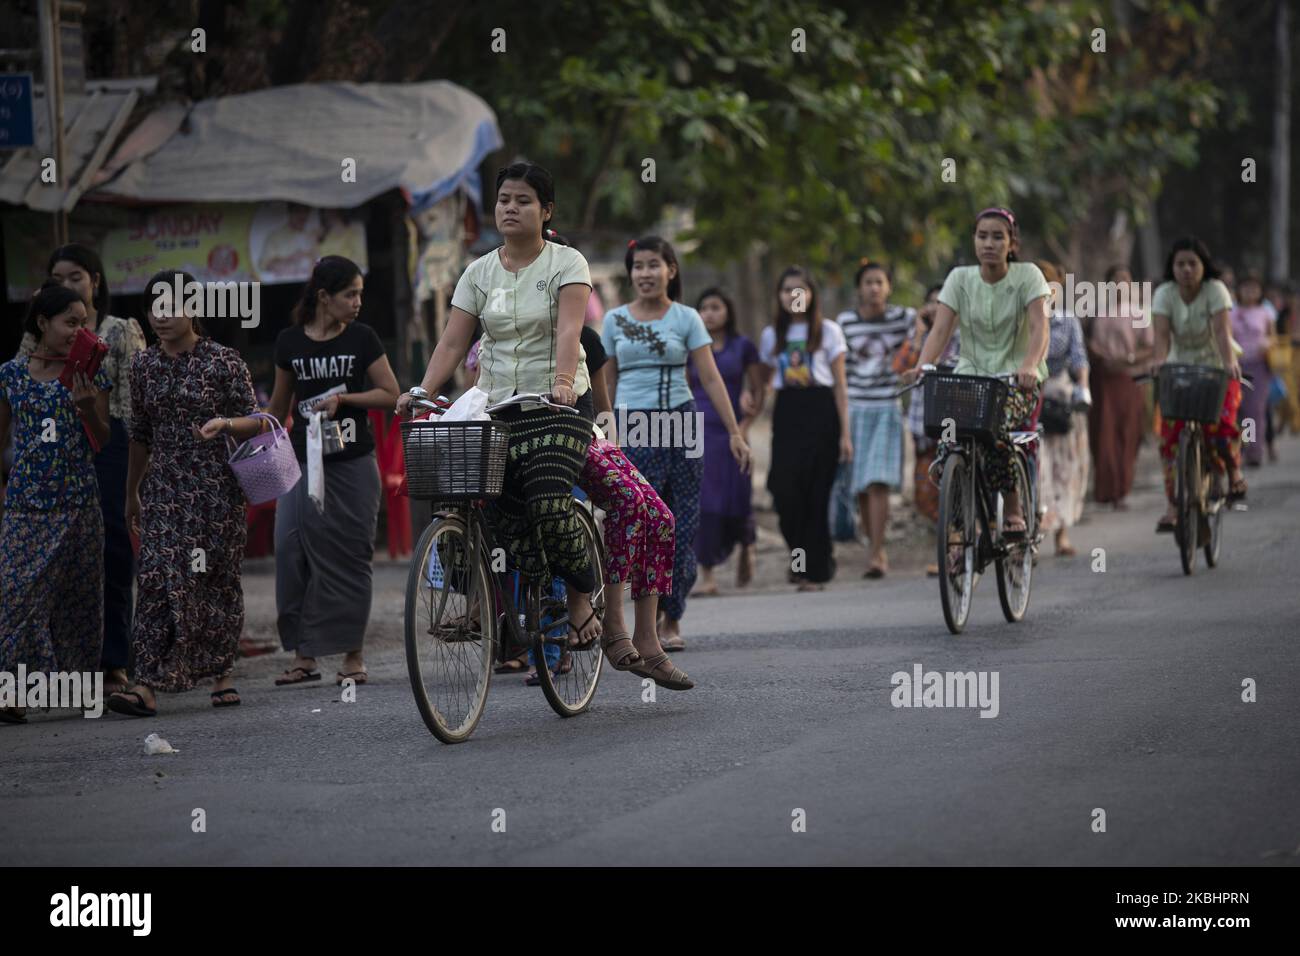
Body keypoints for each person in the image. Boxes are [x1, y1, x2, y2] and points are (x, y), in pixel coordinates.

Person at [397, 161, 605, 654]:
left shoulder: (567, 263)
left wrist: (561, 382)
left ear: (545, 210)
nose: (510, 208)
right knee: (479, 506)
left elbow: (569, 331)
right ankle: (495, 600)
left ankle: (579, 595)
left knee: (549, 504)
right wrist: (421, 391)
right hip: (497, 409)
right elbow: (452, 342)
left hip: (557, 408)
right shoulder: (478, 271)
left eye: (523, 201)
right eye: (504, 200)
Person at [106, 272, 262, 717]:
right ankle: (146, 686)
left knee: (214, 579)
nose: (160, 317)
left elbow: (256, 420)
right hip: (163, 488)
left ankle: (222, 673)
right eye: (153, 308)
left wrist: (226, 425)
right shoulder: (143, 366)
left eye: (170, 307)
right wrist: (132, 491)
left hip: (216, 491)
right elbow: (140, 433)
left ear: (193, 308)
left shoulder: (223, 361)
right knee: (155, 580)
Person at [602, 236, 751, 650]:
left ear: (671, 270)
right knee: (640, 524)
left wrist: (735, 432)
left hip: (681, 425)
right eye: (638, 266)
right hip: (633, 428)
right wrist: (605, 427)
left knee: (680, 525)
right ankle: (639, 623)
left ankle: (671, 618)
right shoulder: (614, 320)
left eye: (654, 265)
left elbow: (710, 377)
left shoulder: (687, 318)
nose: (645, 273)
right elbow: (607, 379)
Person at [16, 244, 145, 697]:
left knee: (112, 548)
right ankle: (58, 669)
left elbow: (133, 397)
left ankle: (113, 664)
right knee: (50, 559)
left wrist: (136, 458)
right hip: (54, 453)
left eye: (75, 277)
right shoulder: (42, 331)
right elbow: (22, 382)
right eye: (57, 278)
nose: (66, 285)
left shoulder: (118, 330)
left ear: (95, 280)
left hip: (110, 443)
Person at [268, 256, 399, 688]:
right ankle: (304, 656)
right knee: (290, 550)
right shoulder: (289, 342)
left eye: (360, 293)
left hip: (353, 462)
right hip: (302, 463)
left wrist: (346, 401)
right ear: (324, 298)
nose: (359, 302)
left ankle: (353, 655)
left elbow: (390, 395)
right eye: (350, 294)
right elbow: (277, 408)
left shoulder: (362, 338)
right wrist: (240, 432)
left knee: (352, 555)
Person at [902, 206, 1052, 544]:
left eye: (997, 236)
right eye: (982, 236)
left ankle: (1012, 509)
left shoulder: (1028, 276)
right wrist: (923, 365)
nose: (989, 243)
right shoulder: (959, 279)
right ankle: (960, 529)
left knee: (996, 430)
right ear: (974, 240)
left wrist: (1029, 366)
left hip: (1016, 381)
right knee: (949, 436)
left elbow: (1041, 328)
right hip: (970, 378)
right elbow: (940, 331)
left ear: (1012, 243)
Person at [0, 282, 111, 723]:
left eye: (83, 322)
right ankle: (13, 692)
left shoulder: (88, 371)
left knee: (80, 600)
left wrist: (87, 409)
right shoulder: (10, 375)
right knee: (17, 599)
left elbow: (101, 441)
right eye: (69, 322)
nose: (77, 331)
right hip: (26, 507)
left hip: (80, 501)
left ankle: (82, 688)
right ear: (43, 323)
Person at [759, 266, 852, 592]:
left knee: (816, 495)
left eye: (800, 289)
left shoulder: (829, 332)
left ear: (811, 294)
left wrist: (845, 434)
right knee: (784, 492)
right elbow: (764, 382)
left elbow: (840, 386)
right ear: (779, 296)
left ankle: (812, 570)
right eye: (787, 290)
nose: (793, 296)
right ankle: (802, 561)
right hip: (788, 413)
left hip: (822, 412)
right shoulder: (772, 335)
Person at [1150, 237, 1244, 532]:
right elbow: (1162, 337)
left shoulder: (1215, 290)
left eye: (1193, 263)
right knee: (1169, 438)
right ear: (1172, 268)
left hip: (1217, 366)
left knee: (1221, 428)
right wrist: (1158, 361)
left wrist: (1229, 364)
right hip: (1179, 368)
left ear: (1204, 266)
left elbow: (1221, 329)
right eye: (1180, 264)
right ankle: (1173, 505)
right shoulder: (1164, 293)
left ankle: (1234, 472)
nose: (1187, 270)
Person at [836, 260, 914, 578]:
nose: (874, 288)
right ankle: (872, 542)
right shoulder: (845, 323)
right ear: (859, 288)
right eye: (868, 282)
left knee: (878, 482)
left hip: (886, 407)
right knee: (860, 487)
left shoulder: (903, 318)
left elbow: (925, 329)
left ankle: (877, 551)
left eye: (880, 282)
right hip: (854, 408)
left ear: (889, 287)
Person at [688, 287, 763, 595]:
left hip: (733, 433)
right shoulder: (689, 346)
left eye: (716, 307)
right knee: (704, 502)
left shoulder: (743, 346)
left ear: (728, 311)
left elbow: (759, 391)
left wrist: (744, 426)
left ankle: (747, 545)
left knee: (738, 496)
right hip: (699, 431)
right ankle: (707, 575)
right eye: (704, 307)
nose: (710, 313)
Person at [895, 284, 958, 575]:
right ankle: (951, 544)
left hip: (956, 425)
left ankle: (953, 551)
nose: (936, 308)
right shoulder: (918, 338)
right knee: (926, 495)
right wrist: (920, 332)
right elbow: (903, 367)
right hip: (924, 425)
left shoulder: (961, 337)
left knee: (955, 490)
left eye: (941, 303)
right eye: (931, 303)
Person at [1085, 265, 1152, 509]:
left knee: (1128, 434)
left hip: (1130, 380)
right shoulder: (1096, 313)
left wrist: (1130, 359)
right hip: (1102, 380)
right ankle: (1105, 490)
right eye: (1115, 280)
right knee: (1103, 434)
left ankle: (1122, 489)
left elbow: (1150, 346)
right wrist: (1100, 356)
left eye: (1125, 279)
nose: (1120, 285)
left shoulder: (1139, 313)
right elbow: (1086, 343)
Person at [1035, 261, 1090, 557]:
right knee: (1037, 467)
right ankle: (1035, 532)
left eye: (1047, 282)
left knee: (1065, 467)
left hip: (1061, 396)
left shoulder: (1067, 320)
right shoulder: (1022, 320)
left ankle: (1062, 534)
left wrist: (1083, 388)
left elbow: (1079, 358)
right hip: (1029, 397)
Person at [1229, 272, 1274, 468]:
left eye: (1254, 288)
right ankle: (1241, 447)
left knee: (1254, 410)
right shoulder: (1231, 312)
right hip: (1236, 365)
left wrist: (1267, 344)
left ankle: (1253, 450)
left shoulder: (1265, 312)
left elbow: (1273, 337)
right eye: (1246, 288)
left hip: (1258, 365)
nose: (1250, 292)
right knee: (1238, 409)